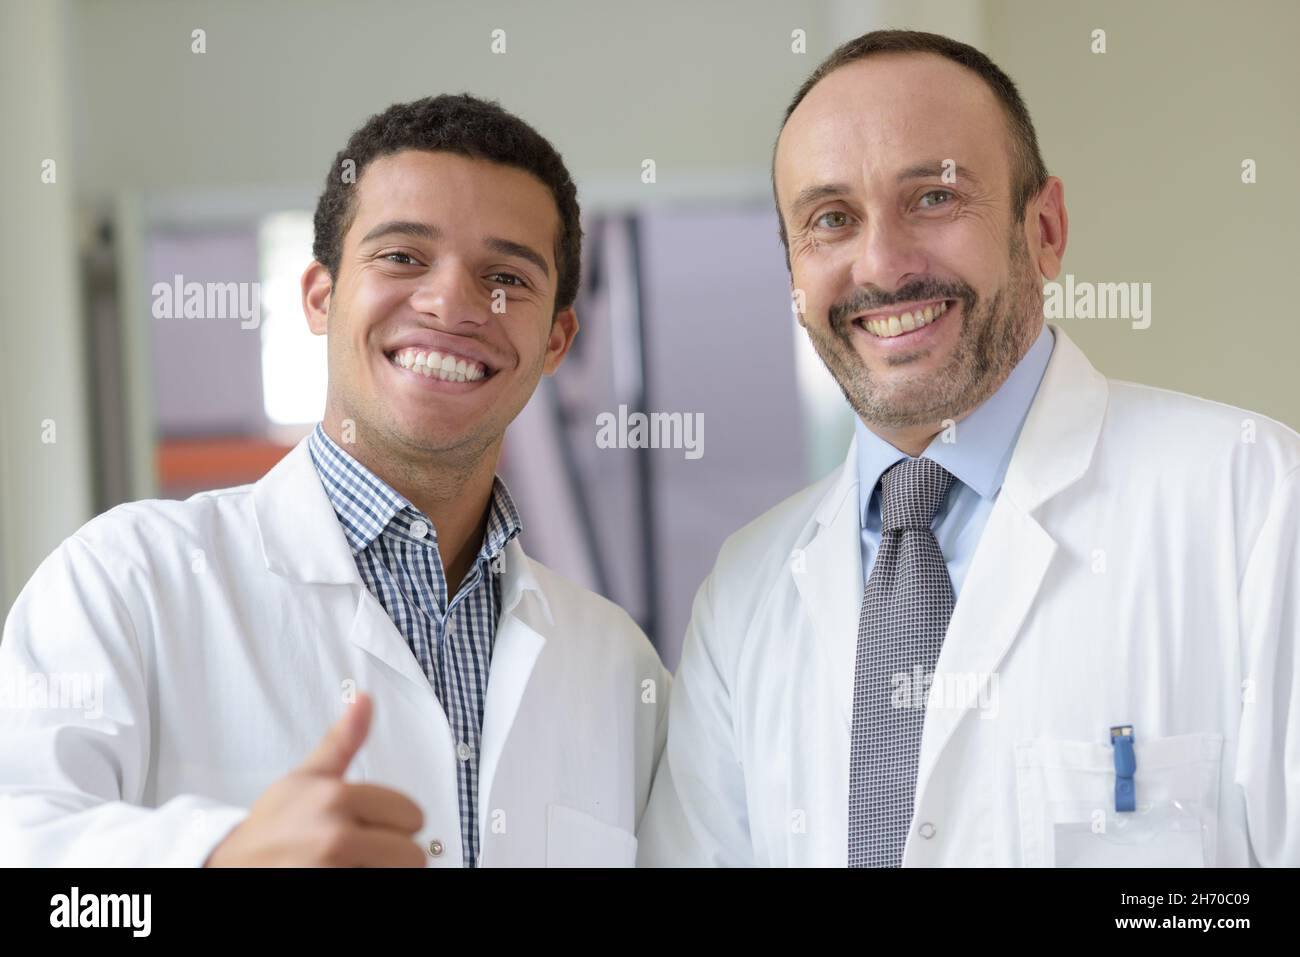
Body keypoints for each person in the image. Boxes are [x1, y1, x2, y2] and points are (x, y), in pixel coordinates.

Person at [637, 30, 1300, 867]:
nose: (882, 265)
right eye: (831, 220)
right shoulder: (743, 594)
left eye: (934, 198)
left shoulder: (1257, 505)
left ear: (1046, 229)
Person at [0, 94, 668, 868]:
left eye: (507, 277)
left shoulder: (620, 668)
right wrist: (217, 859)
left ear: (556, 339)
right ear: (320, 297)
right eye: (402, 256)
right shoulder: (125, 581)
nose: (451, 301)